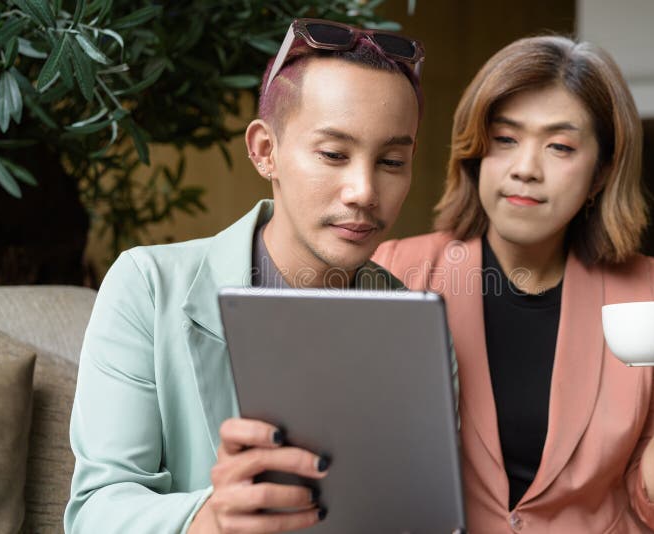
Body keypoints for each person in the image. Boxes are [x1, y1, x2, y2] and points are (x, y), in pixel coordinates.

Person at [65, 19, 425, 533]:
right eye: (333, 154)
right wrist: (207, 520)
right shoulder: (147, 287)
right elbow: (94, 513)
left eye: (392, 161)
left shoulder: (414, 329)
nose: (364, 191)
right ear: (264, 151)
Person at [373, 35, 654, 533]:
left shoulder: (653, 290)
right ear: (476, 151)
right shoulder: (395, 272)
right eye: (505, 139)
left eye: (560, 146)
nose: (525, 168)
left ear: (602, 174)